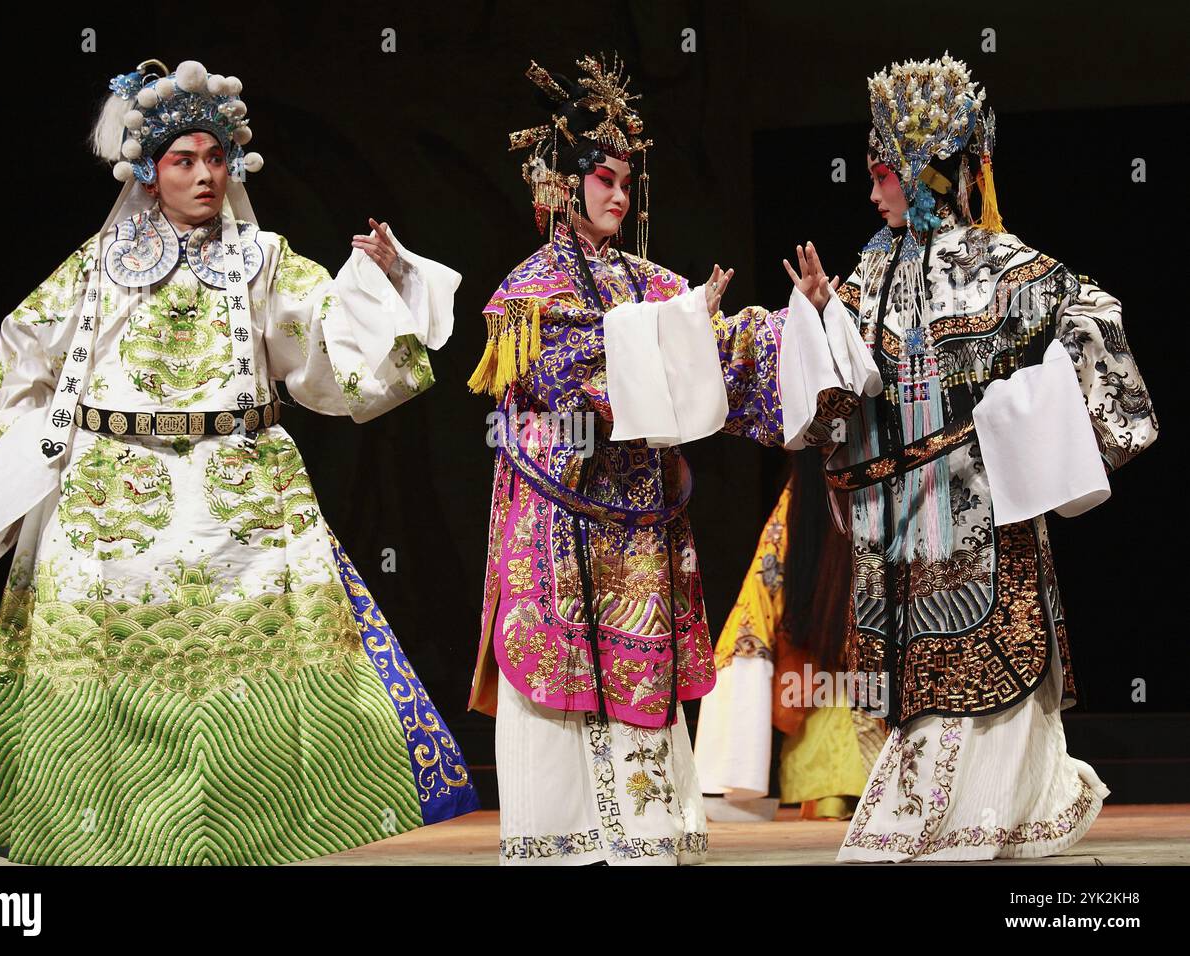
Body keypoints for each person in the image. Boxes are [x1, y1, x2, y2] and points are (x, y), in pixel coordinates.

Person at [0, 58, 478, 864]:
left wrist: (388, 278)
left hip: (244, 495)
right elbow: (25, 347)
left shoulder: (262, 260)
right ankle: (105, 833)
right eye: (182, 160)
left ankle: (263, 828)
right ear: (147, 171)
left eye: (214, 157)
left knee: (267, 673)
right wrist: (30, 450)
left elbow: (331, 341)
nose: (203, 174)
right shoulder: (96, 269)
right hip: (110, 499)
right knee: (102, 669)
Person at [779, 54, 1158, 861]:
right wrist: (817, 318)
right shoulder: (873, 269)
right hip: (899, 529)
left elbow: (1093, 312)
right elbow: (838, 391)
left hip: (982, 522)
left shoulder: (997, 263)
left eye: (884, 173)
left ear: (926, 175)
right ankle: (943, 822)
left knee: (981, 687)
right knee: (915, 686)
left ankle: (979, 819)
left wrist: (1029, 412)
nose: (872, 189)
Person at [464, 53, 832, 865]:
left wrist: (798, 323)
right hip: (560, 522)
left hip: (636, 524)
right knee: (564, 667)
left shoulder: (655, 284)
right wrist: (674, 329)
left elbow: (729, 356)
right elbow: (571, 370)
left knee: (642, 665)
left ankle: (648, 830)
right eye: (603, 178)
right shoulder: (528, 293)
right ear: (562, 184)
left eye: (627, 180)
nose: (619, 195)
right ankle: (563, 834)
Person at [695, 449, 887, 822]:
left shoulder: (801, 495)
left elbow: (759, 601)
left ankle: (838, 789)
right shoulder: (803, 497)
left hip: (853, 471)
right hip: (868, 467)